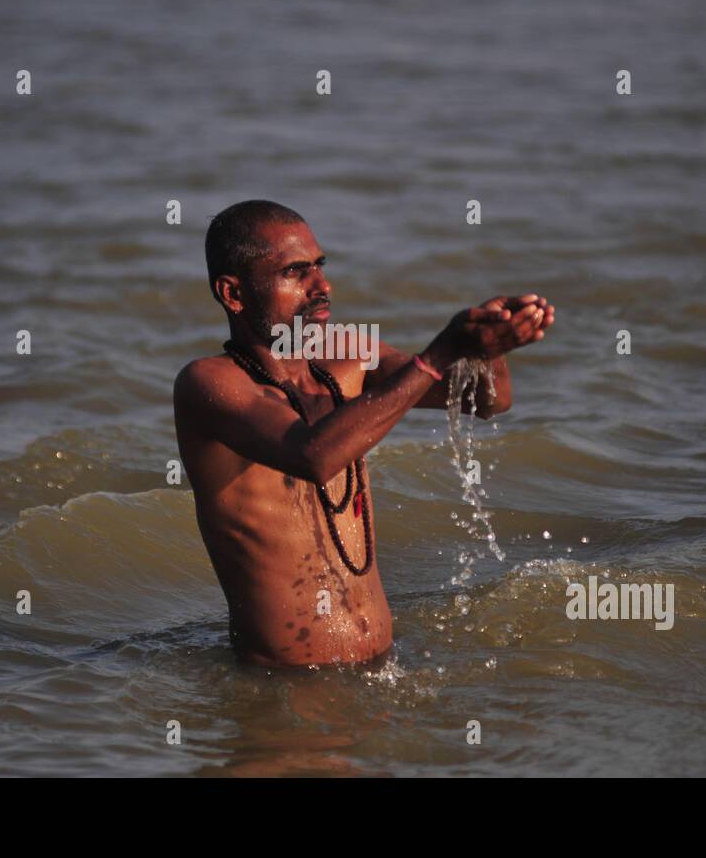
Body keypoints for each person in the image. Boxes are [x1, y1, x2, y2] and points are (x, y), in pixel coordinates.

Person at [172, 200, 555, 667]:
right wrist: (438, 355)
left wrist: (488, 345)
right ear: (233, 294)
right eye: (296, 272)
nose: (322, 286)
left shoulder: (347, 353)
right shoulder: (209, 384)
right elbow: (313, 455)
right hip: (282, 691)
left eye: (320, 266)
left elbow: (486, 400)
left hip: (382, 670)